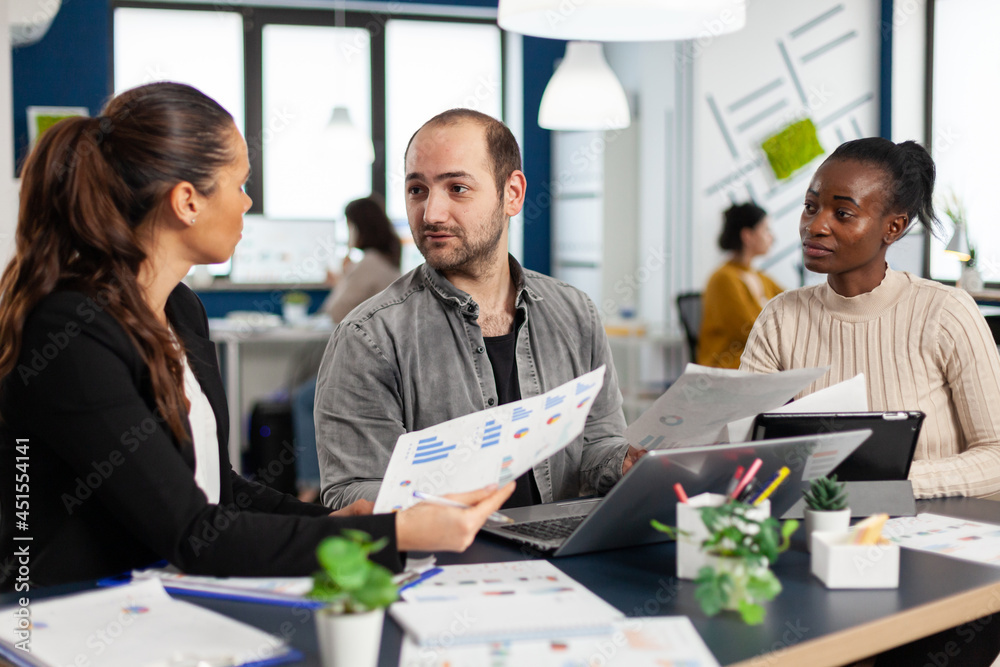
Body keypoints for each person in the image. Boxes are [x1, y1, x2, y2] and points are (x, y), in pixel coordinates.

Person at [0, 83, 513, 591]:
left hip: (154, 603)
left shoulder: (181, 309)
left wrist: (335, 524)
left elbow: (218, 490)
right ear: (187, 201)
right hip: (56, 621)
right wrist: (393, 534)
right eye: (240, 184)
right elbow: (192, 534)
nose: (247, 203)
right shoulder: (70, 331)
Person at [315, 109, 644, 510]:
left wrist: (625, 462)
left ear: (513, 194)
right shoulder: (369, 337)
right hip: (445, 567)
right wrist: (441, 500)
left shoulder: (576, 313)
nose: (431, 214)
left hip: (561, 559)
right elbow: (351, 490)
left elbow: (596, 445)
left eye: (457, 188)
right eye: (417, 190)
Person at [741, 137, 1000, 501]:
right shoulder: (780, 318)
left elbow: (996, 456)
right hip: (819, 530)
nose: (815, 226)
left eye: (842, 213)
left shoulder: (946, 313)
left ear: (893, 228)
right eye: (810, 207)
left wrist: (876, 482)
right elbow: (744, 448)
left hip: (933, 534)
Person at [290, 196, 402, 502]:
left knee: (302, 398)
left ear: (358, 227)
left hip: (365, 366)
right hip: (381, 362)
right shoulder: (382, 262)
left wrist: (340, 279)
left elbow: (336, 311)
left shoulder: (369, 264)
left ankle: (310, 486)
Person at [698, 202, 783, 368]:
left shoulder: (760, 276)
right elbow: (752, 331)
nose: (772, 237)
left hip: (758, 364)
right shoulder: (723, 279)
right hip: (729, 367)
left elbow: (793, 305)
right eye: (766, 230)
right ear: (747, 236)